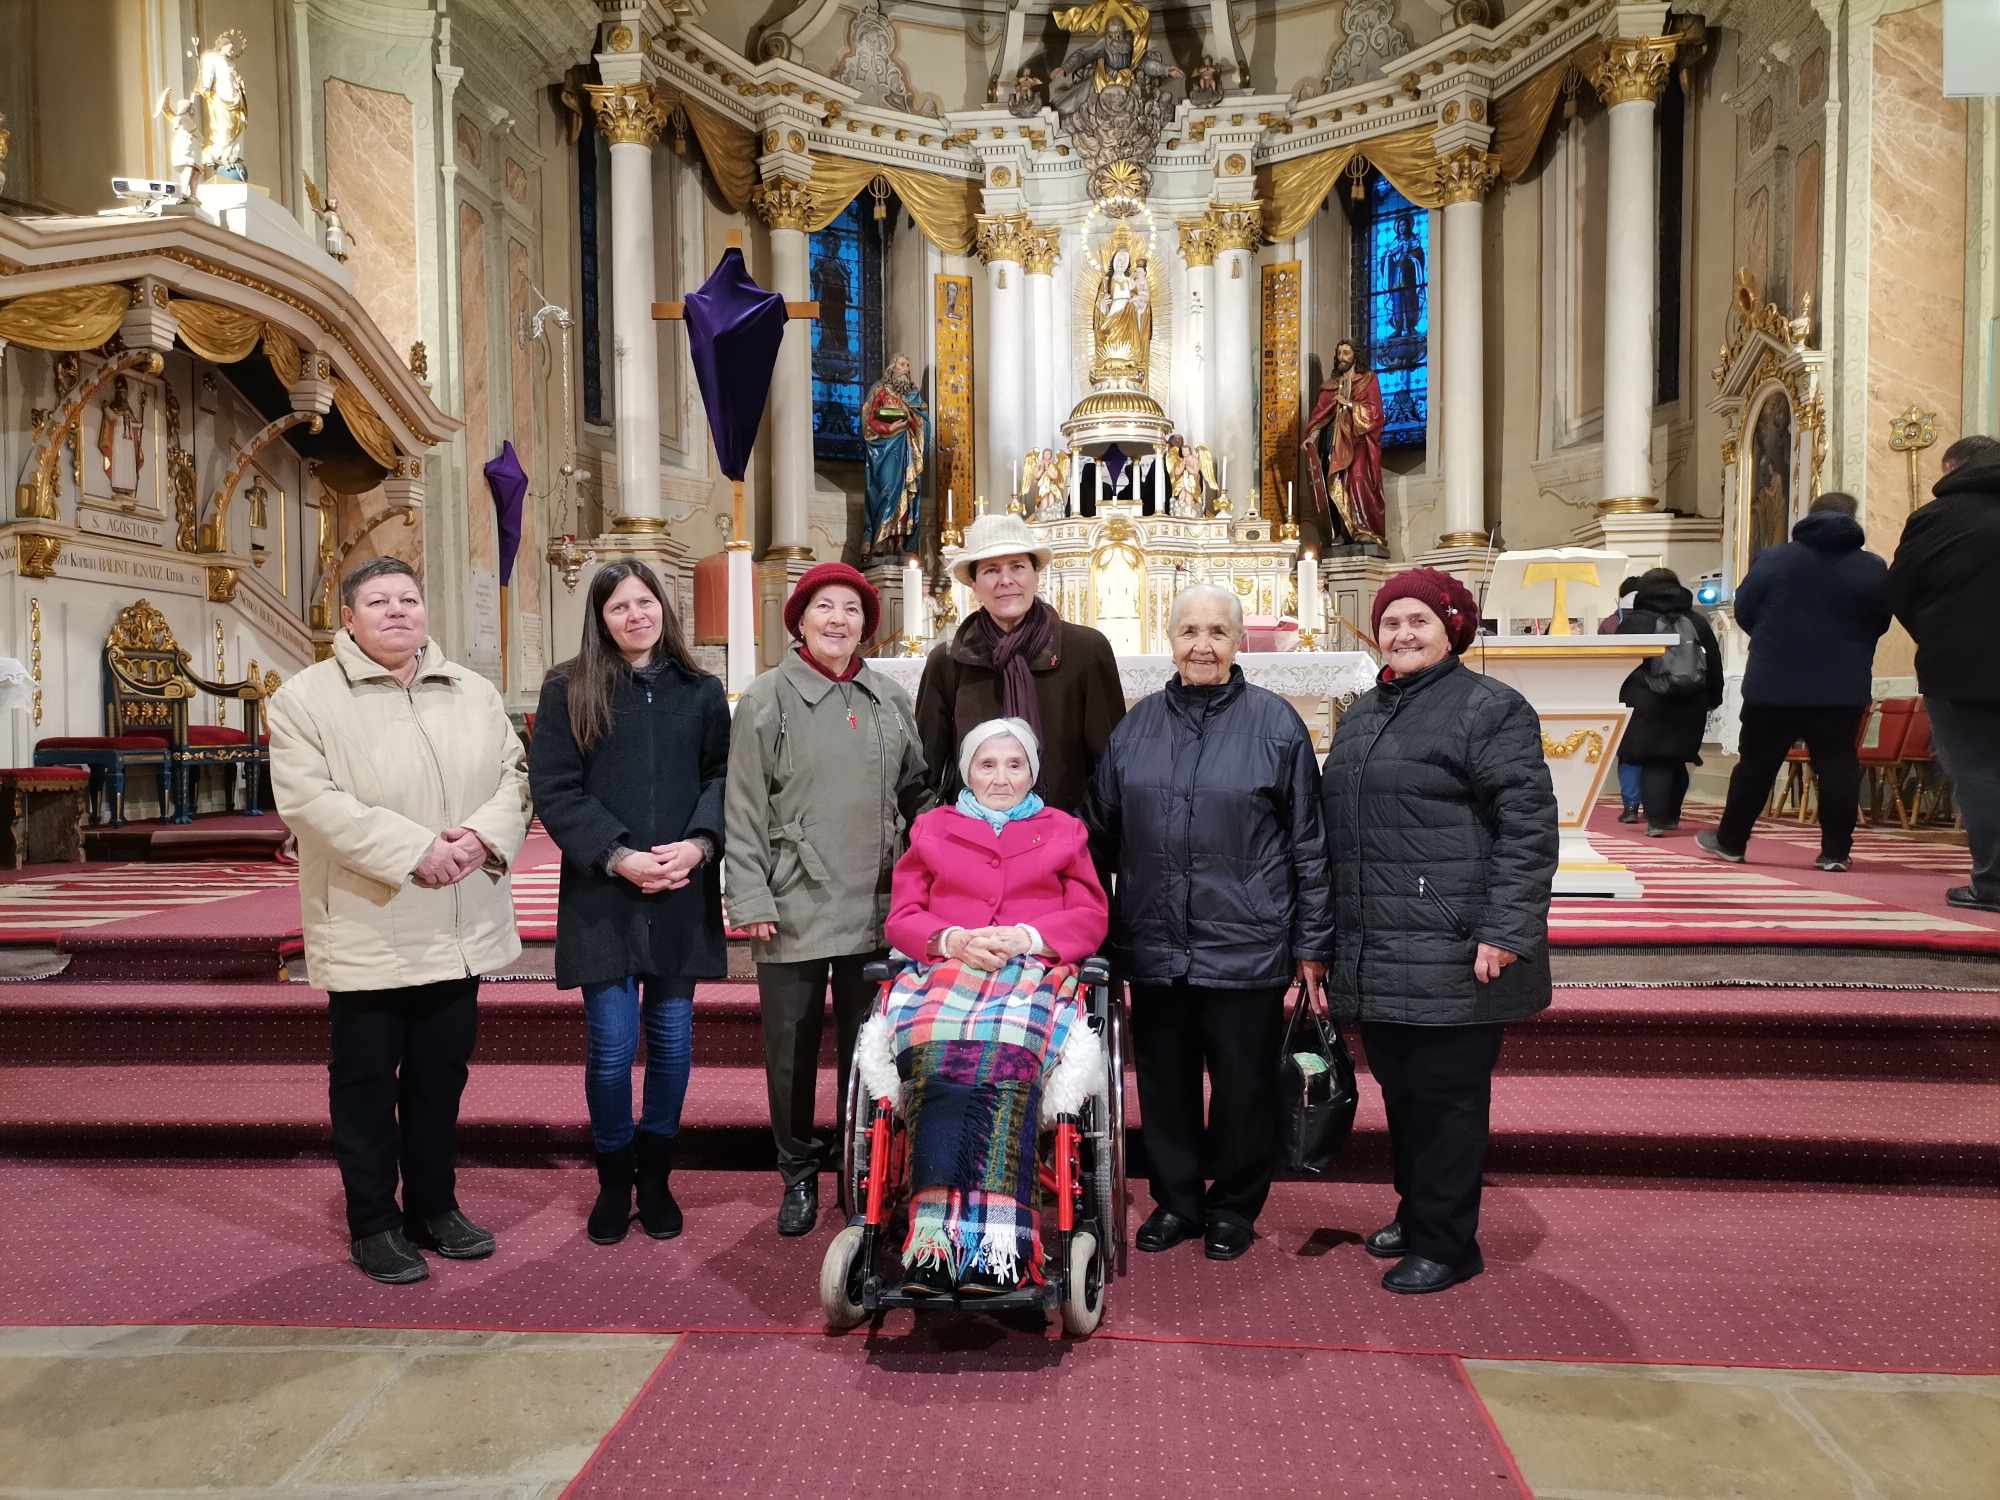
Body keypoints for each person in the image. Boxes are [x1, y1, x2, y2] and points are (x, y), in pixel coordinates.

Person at [267, 558, 532, 1285]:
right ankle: (375, 1222)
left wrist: (480, 838)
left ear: (425, 611)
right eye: (377, 601)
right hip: (370, 919)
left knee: (439, 1078)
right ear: (347, 618)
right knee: (364, 1083)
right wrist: (416, 851)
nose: (396, 611)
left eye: (408, 599)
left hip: (458, 919)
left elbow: (514, 776)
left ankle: (435, 1207)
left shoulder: (473, 692)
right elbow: (310, 803)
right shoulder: (303, 699)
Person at [1321, 569, 1557, 1293]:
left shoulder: (1490, 708)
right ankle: (1418, 1211)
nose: (1403, 634)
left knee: (1449, 1099)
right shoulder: (1367, 710)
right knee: (1403, 1089)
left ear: (1454, 627)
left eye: (1419, 621)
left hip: (1455, 944)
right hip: (1380, 941)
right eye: (1392, 622)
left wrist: (1506, 928)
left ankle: (1450, 1243)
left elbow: (1527, 825)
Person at [1086, 584, 1334, 1262]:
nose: (1203, 644)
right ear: (1170, 639)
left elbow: (1309, 844)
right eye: (1190, 630)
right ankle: (1177, 1202)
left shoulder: (1276, 724)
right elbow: (1095, 842)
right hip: (1154, 944)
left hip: (1247, 944)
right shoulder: (1134, 729)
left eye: (1217, 632)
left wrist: (1312, 943)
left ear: (1238, 641)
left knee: (1243, 1089)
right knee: (1164, 1087)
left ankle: (1233, 1207)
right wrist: (1092, 934)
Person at [858, 719, 1110, 1295]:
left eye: (1014, 764)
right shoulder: (933, 828)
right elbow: (902, 916)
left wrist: (1027, 937)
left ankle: (997, 1246)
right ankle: (935, 1244)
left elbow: (1092, 916)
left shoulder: (1063, 831)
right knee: (935, 1046)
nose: (1001, 777)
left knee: (1009, 1050)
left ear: (1033, 772)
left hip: (1031, 970)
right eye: (986, 765)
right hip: (947, 968)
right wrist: (951, 939)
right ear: (967, 772)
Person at [724, 563, 932, 1236]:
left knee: (870, 1049)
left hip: (876, 905)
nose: (839, 619)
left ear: (867, 625)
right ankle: (797, 1173)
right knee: (790, 1051)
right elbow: (745, 807)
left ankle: (864, 1168)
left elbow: (916, 791)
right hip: (794, 898)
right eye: (825, 608)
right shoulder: (767, 698)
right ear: (801, 621)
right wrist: (749, 894)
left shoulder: (886, 697)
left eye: (851, 609)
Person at [530, 560, 729, 1246]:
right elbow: (555, 789)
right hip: (603, 892)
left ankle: (657, 1175)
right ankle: (615, 1176)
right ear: (601, 617)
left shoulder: (701, 690)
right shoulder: (569, 687)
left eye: (645, 603)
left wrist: (700, 844)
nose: (635, 616)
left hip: (679, 885)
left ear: (663, 609)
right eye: (619, 607)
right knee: (613, 1048)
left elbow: (721, 776)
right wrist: (619, 856)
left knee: (672, 1042)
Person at [1697, 494, 1890, 873]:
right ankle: (1835, 853)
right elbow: (1880, 621)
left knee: (1756, 764)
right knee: (1837, 765)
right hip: (1840, 685)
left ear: (1809, 517)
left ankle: (1731, 841)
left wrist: (1773, 640)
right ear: (1853, 518)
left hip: (1774, 681)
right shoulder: (1871, 567)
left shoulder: (1775, 558)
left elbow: (1745, 609)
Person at [915, 512, 1124, 813]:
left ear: (1036, 575)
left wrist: (1083, 839)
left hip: (1064, 836)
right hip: (973, 841)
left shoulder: (1086, 651)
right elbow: (930, 768)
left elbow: (1110, 765)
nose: (1006, 581)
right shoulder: (948, 661)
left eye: (1017, 567)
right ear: (973, 584)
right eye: (990, 570)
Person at [1888, 434, 2000, 912]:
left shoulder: (1936, 517)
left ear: (1952, 467)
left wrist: (1935, 634)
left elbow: (1899, 591)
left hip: (1960, 664)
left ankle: (1993, 885)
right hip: (1959, 658)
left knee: (1978, 773)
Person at [1615, 567, 1725, 835]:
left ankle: (1657, 821)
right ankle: (1671, 816)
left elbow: (1617, 665)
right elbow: (1713, 661)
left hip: (1646, 701)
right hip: (1690, 700)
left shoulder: (1634, 622)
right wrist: (1713, 697)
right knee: (1677, 759)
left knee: (1655, 761)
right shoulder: (1697, 621)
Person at [1300, 338, 1386, 547]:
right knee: (1333, 483)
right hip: (1333, 442)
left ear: (1355, 355)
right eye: (1339, 353)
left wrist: (1349, 404)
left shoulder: (1368, 380)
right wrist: (1311, 437)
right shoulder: (1329, 387)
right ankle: (1341, 531)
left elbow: (1375, 414)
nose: (1342, 357)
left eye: (1346, 353)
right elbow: (1320, 417)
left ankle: (1364, 529)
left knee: (1358, 481)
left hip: (1358, 443)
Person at [1598, 577, 1646, 823]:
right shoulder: (1665, 618)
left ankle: (1630, 806)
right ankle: (1659, 807)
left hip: (1625, 691)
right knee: (1659, 755)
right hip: (1662, 693)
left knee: (1629, 752)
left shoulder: (1611, 622)